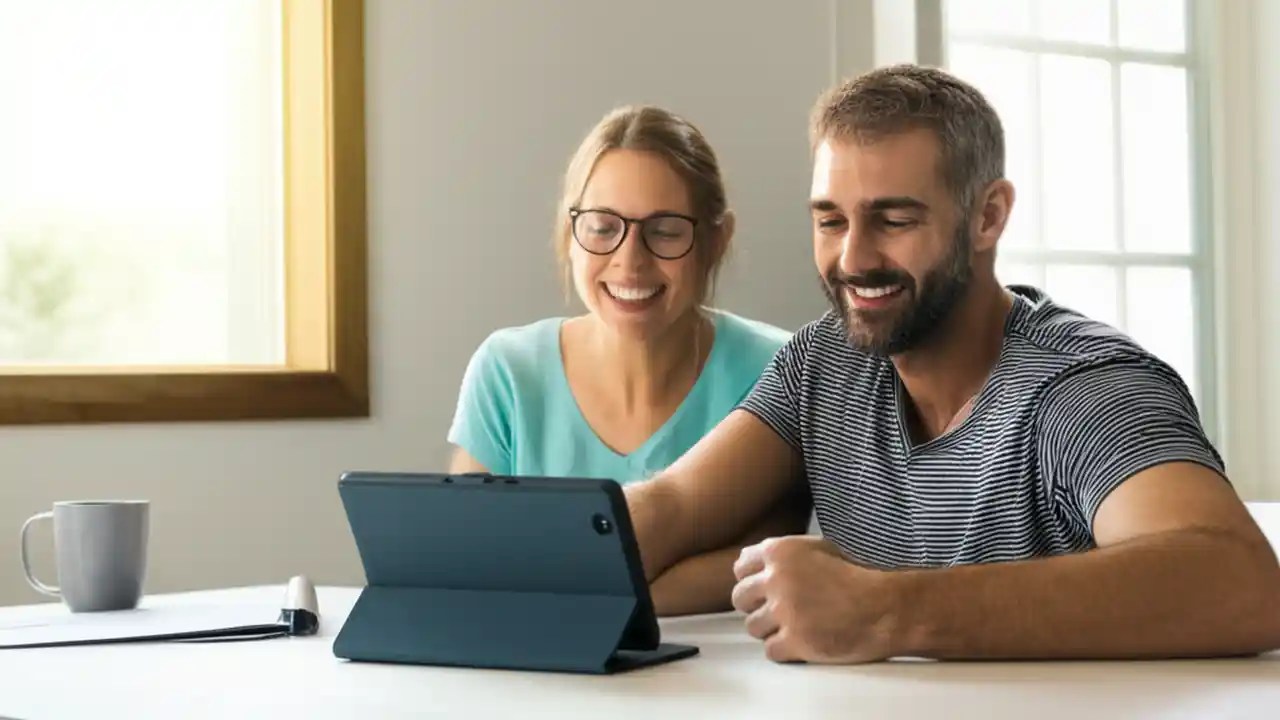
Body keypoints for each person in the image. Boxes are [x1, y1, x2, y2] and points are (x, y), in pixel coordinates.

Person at [624, 65, 1280, 662]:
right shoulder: (823, 363)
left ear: (987, 216)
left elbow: (1240, 584)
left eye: (895, 220)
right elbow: (677, 504)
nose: (853, 259)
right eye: (830, 221)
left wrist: (882, 610)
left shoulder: (1080, 389)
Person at [447, 105, 803, 616]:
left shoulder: (781, 368)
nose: (630, 259)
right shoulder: (507, 372)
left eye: (664, 230)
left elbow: (762, 559)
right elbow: (465, 560)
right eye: (601, 226)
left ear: (715, 240)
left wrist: (581, 600)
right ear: (571, 234)